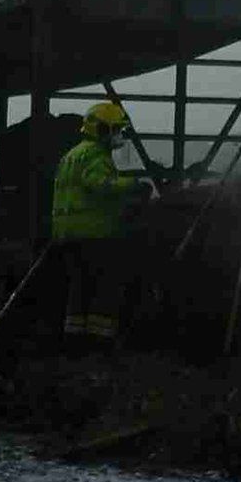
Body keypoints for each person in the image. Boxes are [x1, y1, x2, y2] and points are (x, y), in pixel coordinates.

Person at [51, 102, 151, 346]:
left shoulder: (72, 154)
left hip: (67, 234)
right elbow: (99, 184)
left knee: (79, 286)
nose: (118, 135)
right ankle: (99, 340)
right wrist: (134, 185)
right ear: (100, 130)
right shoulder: (97, 154)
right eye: (114, 129)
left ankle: (74, 339)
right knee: (105, 285)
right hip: (95, 233)